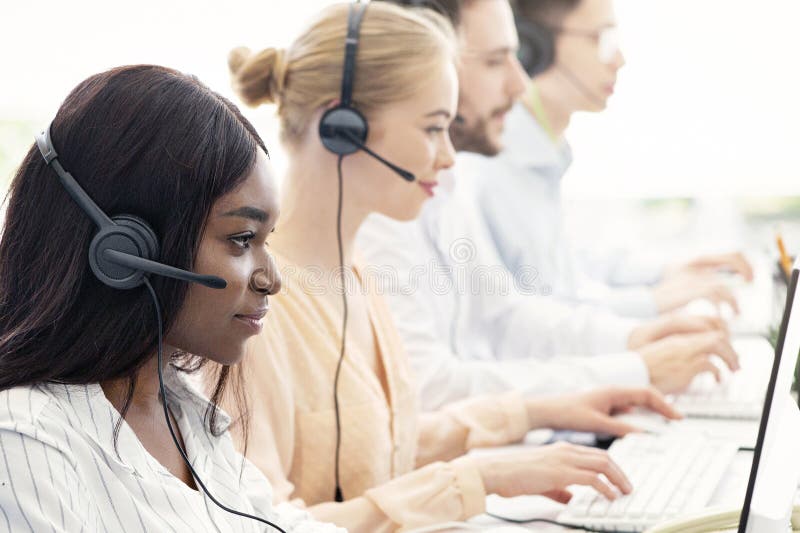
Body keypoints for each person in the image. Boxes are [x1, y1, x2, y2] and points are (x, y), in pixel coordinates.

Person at [219, 3, 679, 532]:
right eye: (433, 129)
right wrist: (472, 483)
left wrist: (529, 424)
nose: (449, 157)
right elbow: (270, 524)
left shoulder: (356, 273)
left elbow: (384, 444)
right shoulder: (252, 312)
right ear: (342, 128)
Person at [0, 65, 341, 532]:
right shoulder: (25, 438)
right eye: (242, 239)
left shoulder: (183, 410)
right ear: (123, 251)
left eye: (267, 239)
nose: (271, 279)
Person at [356, 0, 740, 411]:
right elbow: (431, 388)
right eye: (494, 61)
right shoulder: (384, 204)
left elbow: (505, 315)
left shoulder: (449, 182)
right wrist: (633, 367)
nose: (521, 84)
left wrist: (631, 342)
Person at [468, 0, 754, 320]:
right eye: (601, 39)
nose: (619, 60)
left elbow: (566, 266)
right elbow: (542, 306)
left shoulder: (541, 155)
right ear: (533, 47)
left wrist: (666, 272)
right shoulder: (492, 162)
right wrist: (655, 300)